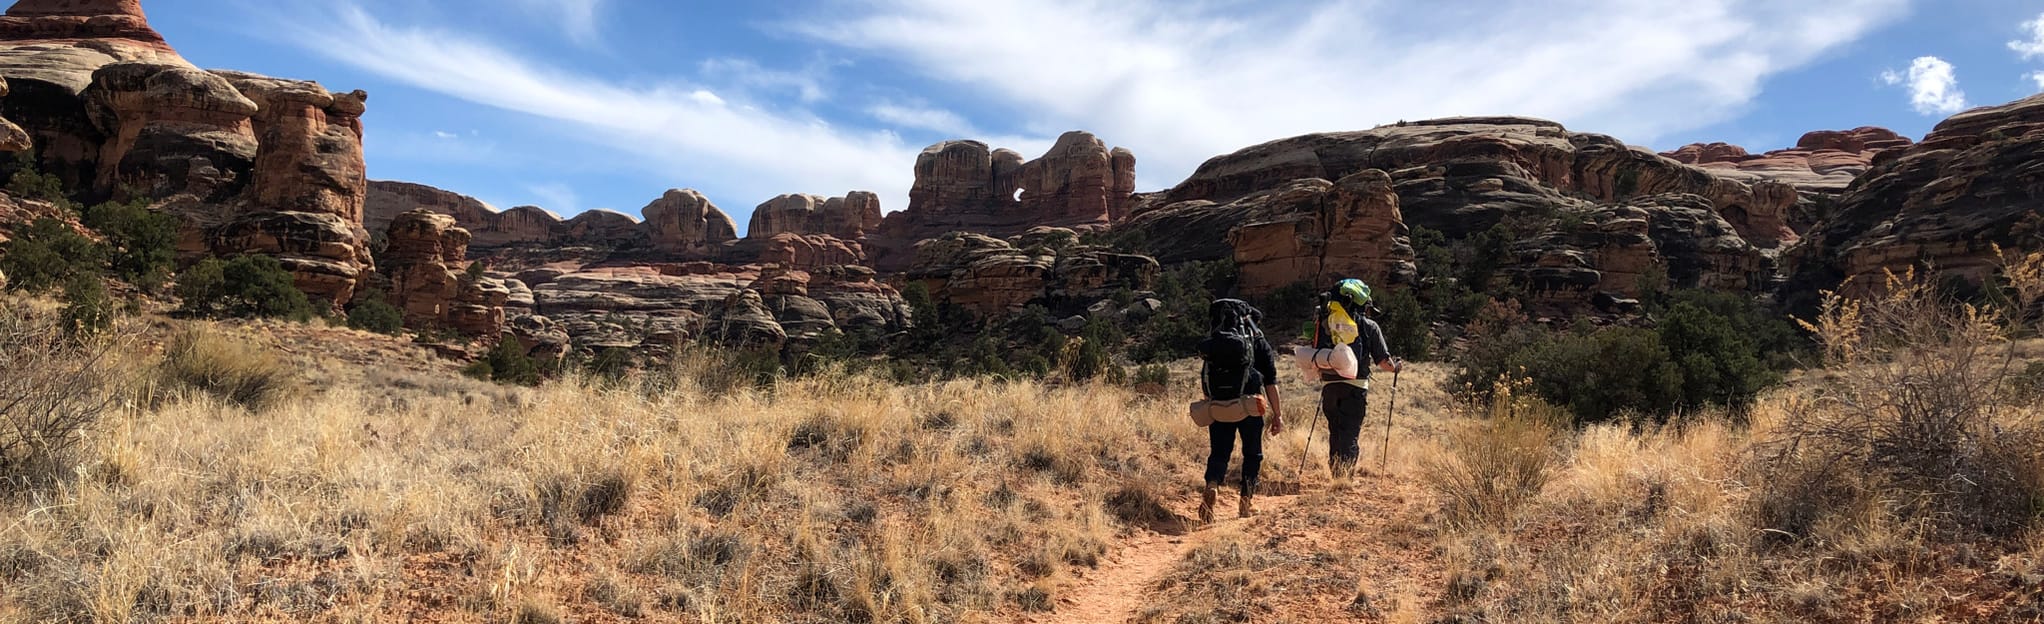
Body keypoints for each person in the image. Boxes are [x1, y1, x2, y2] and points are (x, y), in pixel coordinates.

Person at [1197, 299, 1283, 522]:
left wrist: (1212, 402)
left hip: (1219, 404)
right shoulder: (1258, 342)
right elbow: (1271, 382)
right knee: (1252, 454)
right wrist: (1278, 415)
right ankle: (1245, 503)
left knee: (1219, 453)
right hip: (1250, 406)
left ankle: (1213, 484)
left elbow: (1205, 376)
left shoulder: (1214, 342)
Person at [1313, 279, 1401, 479]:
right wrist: (1396, 367)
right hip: (1355, 386)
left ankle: (1336, 474)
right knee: (1350, 433)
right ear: (1363, 304)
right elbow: (1384, 363)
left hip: (1329, 385)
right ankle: (1345, 479)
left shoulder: (1327, 321)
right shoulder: (1369, 326)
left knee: (1335, 432)